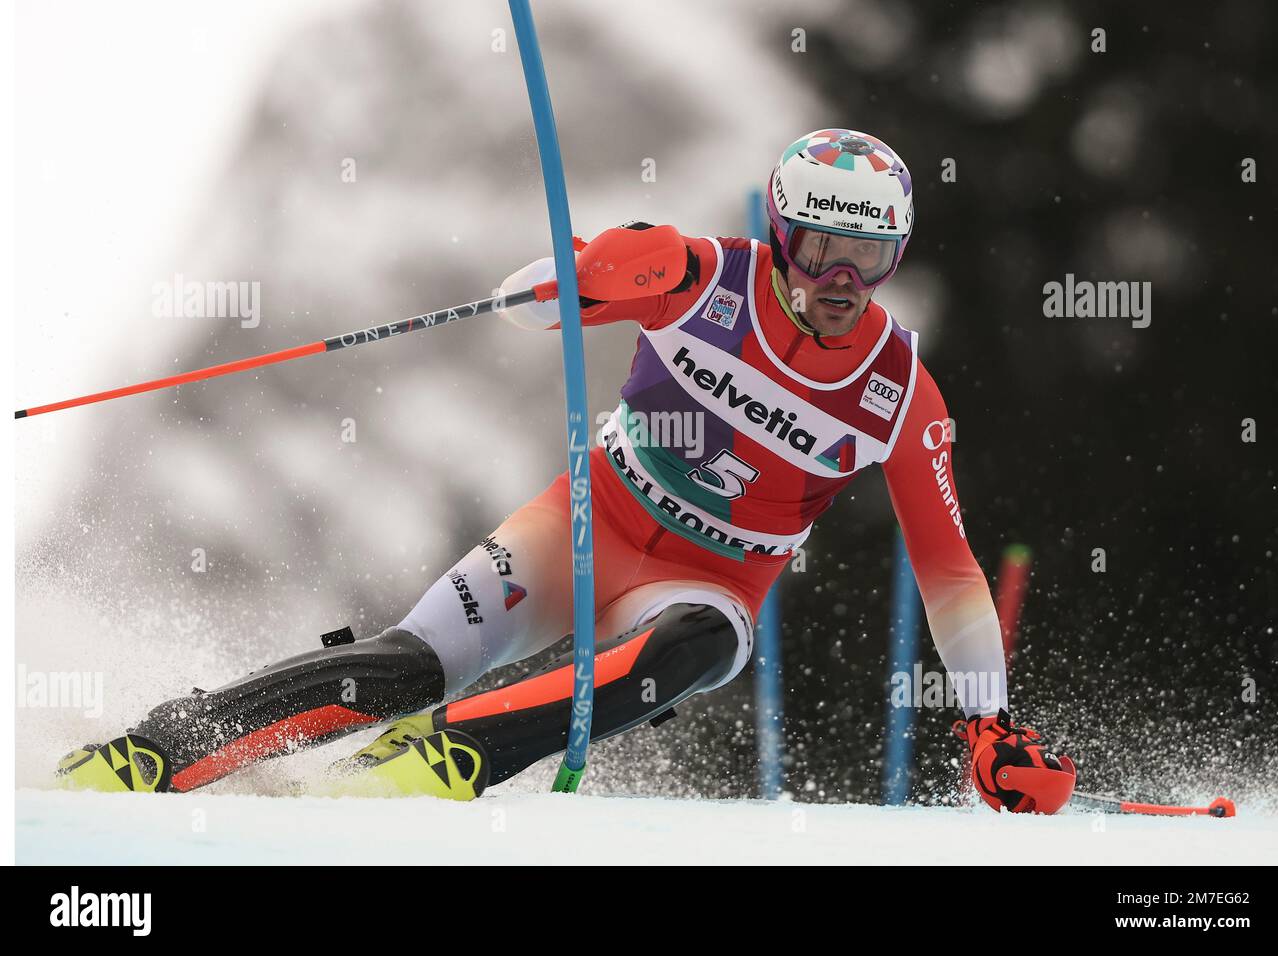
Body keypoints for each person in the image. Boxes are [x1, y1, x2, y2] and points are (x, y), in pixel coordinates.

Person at [59, 129, 1074, 813]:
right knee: (407, 665)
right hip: (582, 528)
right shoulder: (697, 274)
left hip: (709, 580)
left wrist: (985, 719)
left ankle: (433, 761)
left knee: (701, 642)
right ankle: (149, 752)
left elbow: (948, 571)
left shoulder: (897, 389)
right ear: (779, 237)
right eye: (818, 251)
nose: (839, 284)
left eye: (868, 256)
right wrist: (563, 280)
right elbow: (555, 285)